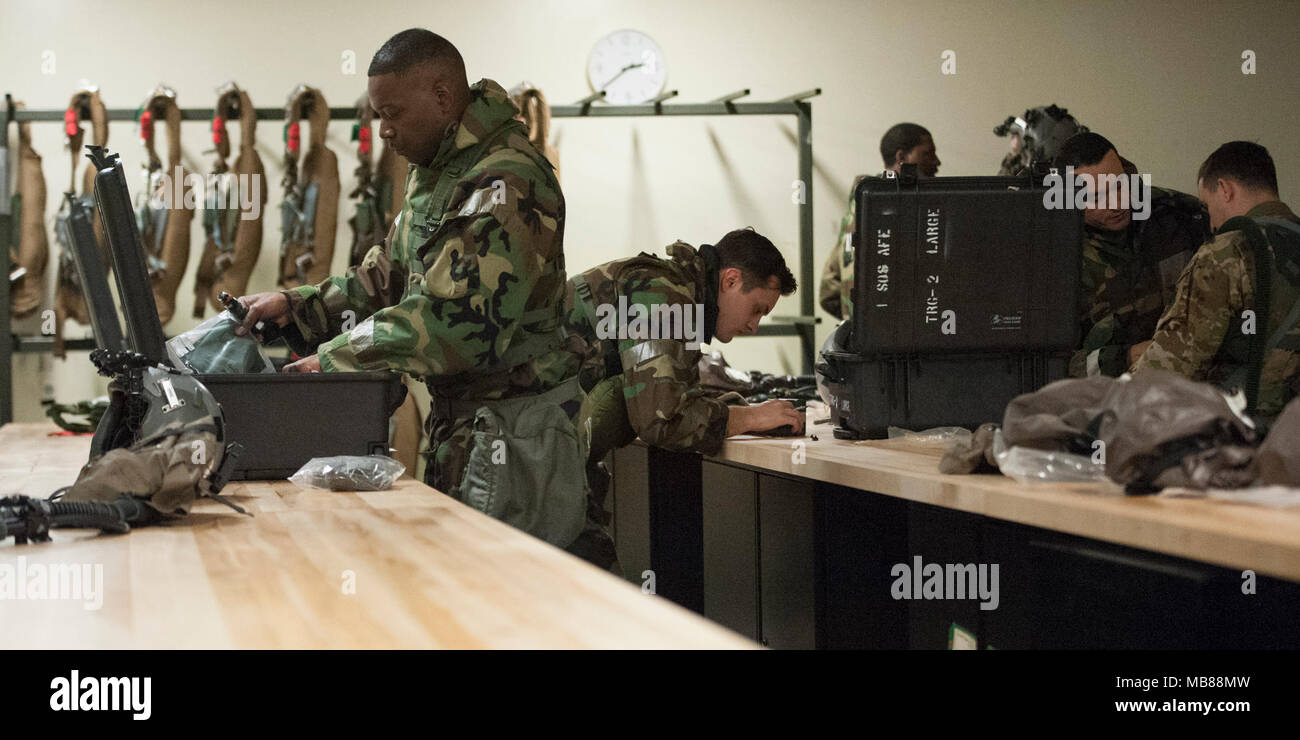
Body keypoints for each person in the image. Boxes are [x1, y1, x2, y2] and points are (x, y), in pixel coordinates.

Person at [235, 29, 591, 553]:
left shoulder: (503, 181)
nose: (384, 131)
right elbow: (389, 277)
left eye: (392, 113)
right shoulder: (436, 174)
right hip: (467, 429)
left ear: (443, 97)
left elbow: (460, 325)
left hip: (516, 439)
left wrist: (334, 358)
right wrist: (297, 304)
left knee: (509, 611)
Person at [568, 228, 801, 567]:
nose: (754, 326)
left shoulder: (678, 295)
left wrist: (729, 411)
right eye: (757, 309)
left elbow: (668, 395)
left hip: (540, 453)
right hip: (530, 457)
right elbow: (661, 419)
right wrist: (749, 418)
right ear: (731, 281)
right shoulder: (664, 292)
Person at [1132, 141, 1300, 419]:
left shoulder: (1227, 252)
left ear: (1225, 189)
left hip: (1248, 441)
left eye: (1207, 206)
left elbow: (1166, 369)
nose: (1210, 224)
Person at [1053, 132, 1211, 378]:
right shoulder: (1052, 254)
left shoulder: (1176, 214)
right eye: (1096, 197)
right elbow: (1046, 368)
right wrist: (1126, 357)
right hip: (1103, 400)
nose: (1117, 203)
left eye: (1119, 185)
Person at [819, 123, 940, 319]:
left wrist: (853, 321)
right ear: (902, 158)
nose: (937, 162)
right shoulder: (903, 211)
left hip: (865, 337)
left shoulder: (857, 208)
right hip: (893, 336)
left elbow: (829, 289)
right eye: (928, 154)